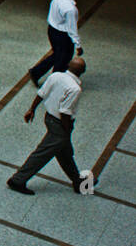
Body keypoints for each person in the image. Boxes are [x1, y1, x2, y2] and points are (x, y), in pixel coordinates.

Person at [8, 57, 94, 195]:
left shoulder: (56, 76)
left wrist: (32, 109)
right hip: (60, 125)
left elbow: (41, 94)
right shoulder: (75, 88)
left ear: (68, 65)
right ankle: (17, 180)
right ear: (83, 71)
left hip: (49, 118)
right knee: (43, 153)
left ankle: (78, 182)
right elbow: (65, 112)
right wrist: (67, 131)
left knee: (64, 153)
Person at [28, 0, 81, 85]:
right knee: (63, 58)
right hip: (63, 35)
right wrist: (78, 45)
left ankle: (37, 72)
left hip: (52, 30)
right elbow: (72, 28)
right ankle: (54, 80)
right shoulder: (71, 9)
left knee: (58, 55)